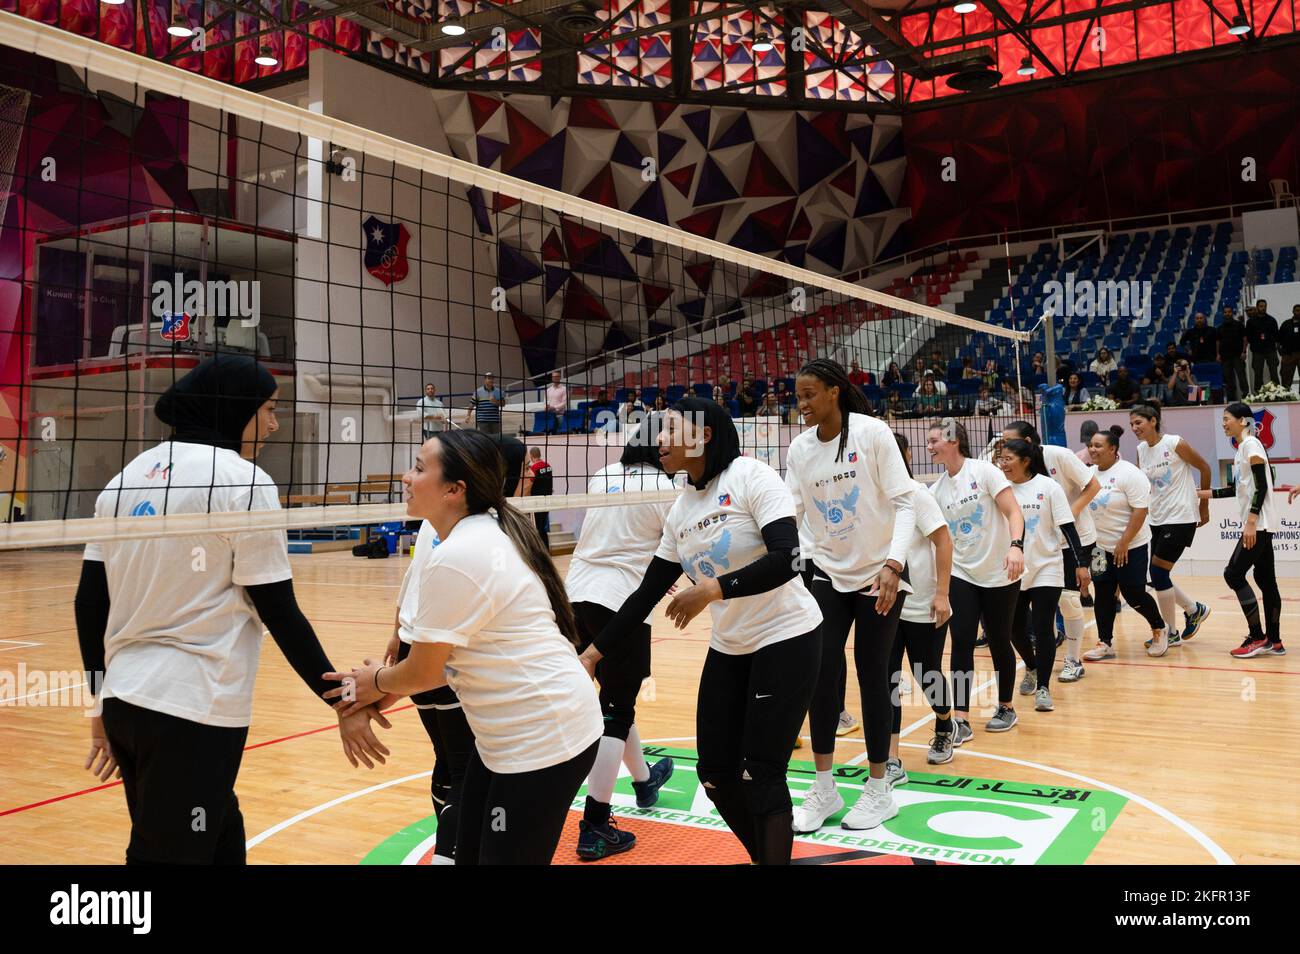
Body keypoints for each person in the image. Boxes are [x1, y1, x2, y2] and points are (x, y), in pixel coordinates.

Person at [75, 355, 391, 865]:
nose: (274, 422)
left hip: (126, 705)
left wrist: (97, 709)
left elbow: (89, 604)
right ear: (235, 408)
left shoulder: (124, 479)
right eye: (268, 408)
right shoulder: (244, 482)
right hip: (192, 710)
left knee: (220, 835)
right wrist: (343, 701)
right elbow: (280, 613)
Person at [327, 429, 603, 865]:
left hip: (545, 738)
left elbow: (423, 673)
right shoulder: (474, 534)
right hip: (507, 737)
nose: (405, 476)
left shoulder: (462, 553)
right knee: (467, 853)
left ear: (455, 489)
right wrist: (364, 694)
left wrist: (372, 683)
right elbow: (437, 668)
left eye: (419, 468)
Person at [578, 398, 822, 864]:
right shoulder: (681, 508)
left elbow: (790, 559)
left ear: (704, 434)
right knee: (713, 773)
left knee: (763, 772)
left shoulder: (750, 476)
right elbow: (646, 592)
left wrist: (713, 589)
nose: (659, 440)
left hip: (787, 636)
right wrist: (592, 654)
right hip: (731, 645)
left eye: (670, 429)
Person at [783, 360, 915, 832]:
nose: (802, 403)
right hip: (826, 572)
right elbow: (791, 510)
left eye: (810, 393)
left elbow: (906, 504)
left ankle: (879, 790)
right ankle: (824, 787)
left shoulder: (872, 434)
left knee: (872, 672)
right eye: (797, 395)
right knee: (819, 671)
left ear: (835, 392)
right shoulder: (800, 449)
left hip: (881, 572)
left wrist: (893, 566)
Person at [566, 421, 678, 859]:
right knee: (616, 709)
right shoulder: (665, 487)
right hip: (621, 604)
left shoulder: (602, 474)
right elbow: (682, 545)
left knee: (617, 697)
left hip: (575, 597)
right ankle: (594, 824)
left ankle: (645, 780)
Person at [383, 519, 474, 864]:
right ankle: (450, 854)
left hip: (412, 644)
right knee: (466, 767)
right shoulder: (479, 523)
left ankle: (450, 841)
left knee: (446, 757)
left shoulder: (429, 520)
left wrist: (395, 632)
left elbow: (411, 576)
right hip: (442, 650)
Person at [928, 419, 1026, 739]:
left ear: (953, 441)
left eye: (934, 441)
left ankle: (1006, 707)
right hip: (962, 573)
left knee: (1000, 639)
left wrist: (1015, 547)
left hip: (1000, 570)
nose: (929, 446)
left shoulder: (984, 472)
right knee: (962, 641)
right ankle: (962, 718)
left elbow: (1013, 512)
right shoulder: (936, 490)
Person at [1002, 421, 1099, 683]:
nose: (1004, 448)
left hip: (1072, 537)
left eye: (1010, 442)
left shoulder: (1060, 456)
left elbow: (1093, 485)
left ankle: (1073, 660)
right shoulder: (1009, 474)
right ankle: (1041, 654)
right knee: (1022, 616)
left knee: (1068, 600)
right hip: (1038, 543)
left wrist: (1069, 514)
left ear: (1028, 445)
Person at [1198, 403, 1286, 658]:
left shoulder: (1251, 445)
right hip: (1260, 524)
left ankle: (1257, 637)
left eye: (1227, 419)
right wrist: (1200, 494)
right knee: (1266, 580)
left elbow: (1262, 486)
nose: (1224, 424)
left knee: (1233, 574)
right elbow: (1236, 490)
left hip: (1258, 525)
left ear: (1244, 421)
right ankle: (1274, 641)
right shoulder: (1242, 449)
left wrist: (1251, 522)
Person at [890, 434, 955, 767]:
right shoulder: (871, 496)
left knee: (925, 672)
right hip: (884, 603)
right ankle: (889, 758)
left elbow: (944, 542)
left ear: (905, 454)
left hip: (923, 602)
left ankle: (945, 722)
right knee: (885, 677)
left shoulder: (917, 494)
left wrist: (942, 594)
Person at [1129, 403, 1211, 656]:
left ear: (1153, 421)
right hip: (1156, 519)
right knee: (1158, 576)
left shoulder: (1175, 443)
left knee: (1157, 572)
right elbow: (1144, 486)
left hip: (1182, 516)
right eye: (1132, 424)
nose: (1135, 428)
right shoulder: (1141, 450)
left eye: (1139, 423)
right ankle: (1193, 609)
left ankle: (1170, 632)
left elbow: (1205, 468)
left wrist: (1203, 506)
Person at [1081, 426, 1168, 661]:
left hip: (1131, 545)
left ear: (1113, 449)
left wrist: (1124, 542)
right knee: (1103, 592)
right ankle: (1105, 642)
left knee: (1133, 592)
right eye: (1091, 445)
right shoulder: (1088, 475)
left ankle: (1159, 629)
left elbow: (1140, 510)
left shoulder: (1129, 473)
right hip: (1099, 549)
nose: (1092, 449)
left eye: (1098, 446)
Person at [523, 446, 554, 550]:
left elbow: (529, 485)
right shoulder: (548, 466)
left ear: (531, 456)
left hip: (536, 502)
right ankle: (546, 550)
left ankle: (542, 552)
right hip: (547, 500)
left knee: (538, 527)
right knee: (543, 526)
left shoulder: (534, 469)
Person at [1218, 304, 1249, 401]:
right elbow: (1217, 342)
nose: (1227, 314)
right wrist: (1218, 354)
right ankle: (1232, 398)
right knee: (1228, 379)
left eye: (1229, 312)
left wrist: (1244, 351)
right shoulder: (1220, 328)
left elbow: (1245, 339)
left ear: (1232, 313)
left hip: (1238, 356)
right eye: (1225, 312)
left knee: (1242, 377)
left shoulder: (1239, 325)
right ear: (1223, 314)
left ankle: (1246, 396)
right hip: (1225, 357)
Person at [1247, 299, 1280, 391]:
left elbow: (1276, 335)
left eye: (1265, 306)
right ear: (1257, 307)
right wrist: (1256, 344)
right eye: (1261, 306)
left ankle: (1278, 392)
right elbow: (1249, 337)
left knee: (1274, 373)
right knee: (1258, 374)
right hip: (1257, 351)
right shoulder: (1251, 322)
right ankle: (1258, 394)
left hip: (1271, 350)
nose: (1263, 308)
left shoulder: (1272, 320)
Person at [1278, 303, 1300, 390]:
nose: (1299, 312)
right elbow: (1278, 339)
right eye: (1297, 310)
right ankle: (1286, 395)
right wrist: (1281, 352)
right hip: (1288, 354)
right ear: (1293, 311)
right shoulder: (1286, 324)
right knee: (1286, 376)